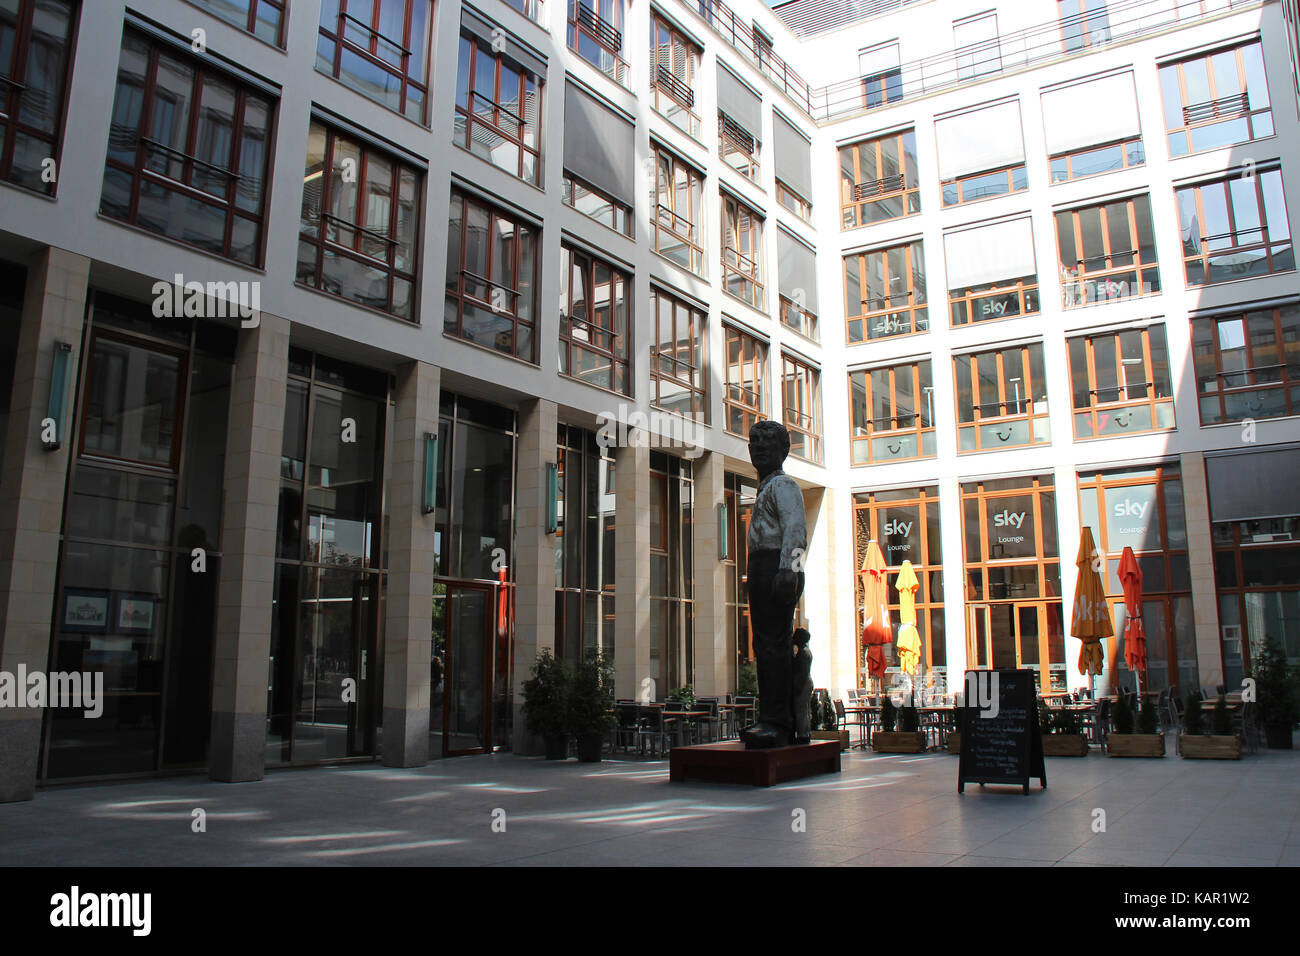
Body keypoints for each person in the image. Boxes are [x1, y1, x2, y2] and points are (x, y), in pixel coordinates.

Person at [743, 420, 808, 749]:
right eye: (755, 441)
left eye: (769, 441)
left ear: (784, 450)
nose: (760, 446)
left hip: (775, 567)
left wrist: (788, 571)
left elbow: (796, 529)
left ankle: (777, 723)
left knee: (773, 646)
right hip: (762, 567)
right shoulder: (767, 487)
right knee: (765, 646)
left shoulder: (784, 486)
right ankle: (770, 718)